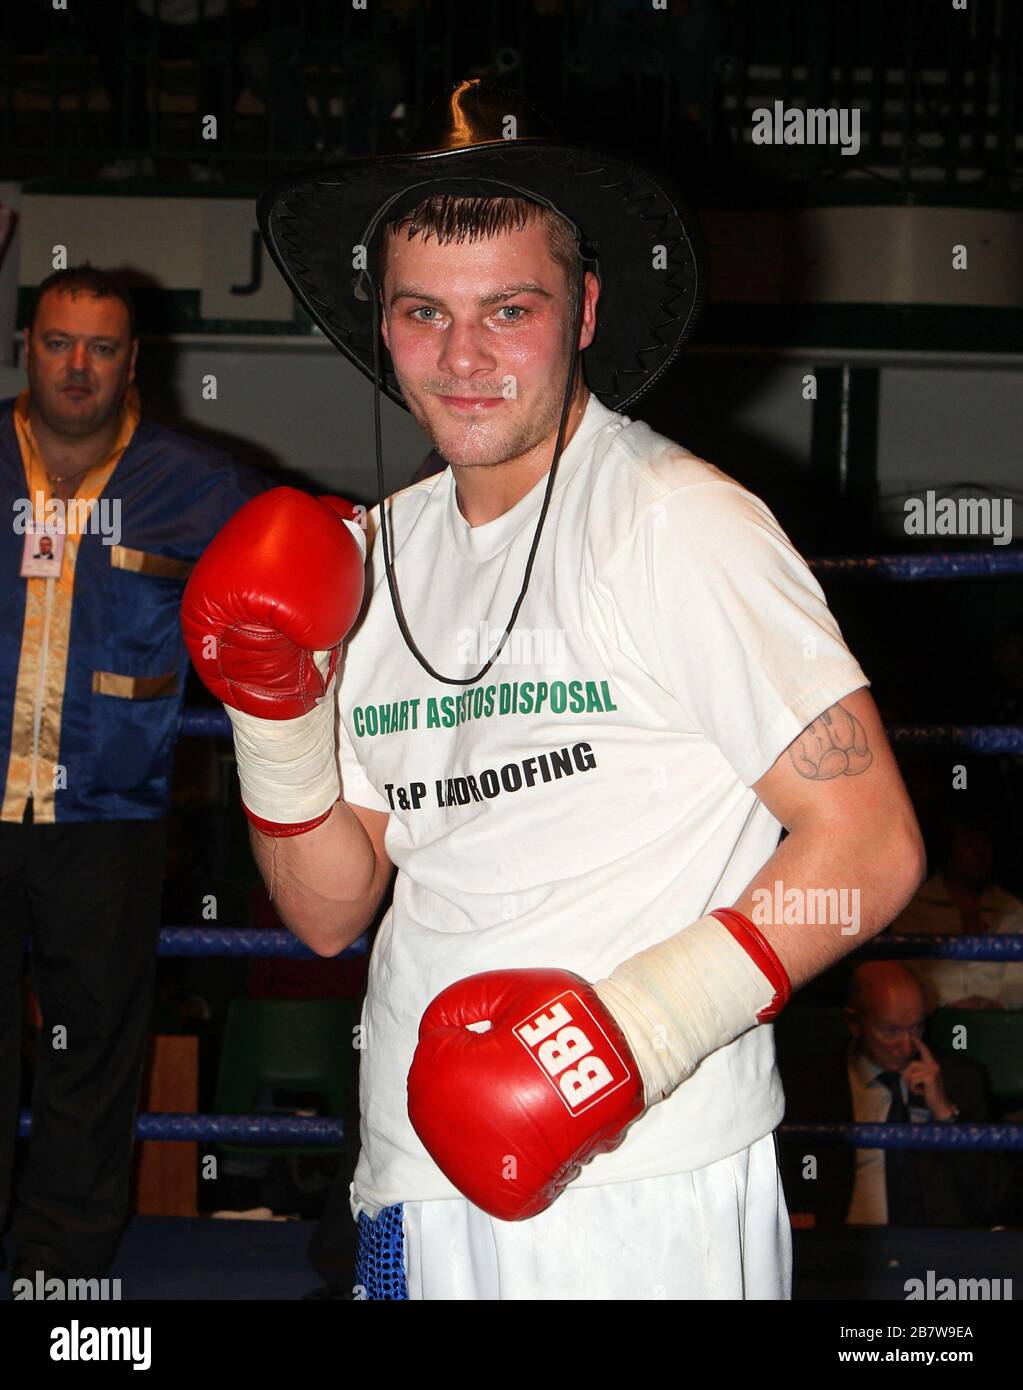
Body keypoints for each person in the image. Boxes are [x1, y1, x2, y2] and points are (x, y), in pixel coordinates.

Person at [185, 77, 924, 1300]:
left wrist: (627, 1037)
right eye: (424, 313)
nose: (462, 358)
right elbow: (327, 909)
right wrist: (271, 714)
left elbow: (874, 839)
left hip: (639, 1179)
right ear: (383, 322)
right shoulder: (376, 554)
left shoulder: (677, 522)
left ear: (581, 309)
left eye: (507, 310)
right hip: (413, 1166)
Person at [0, 264, 267, 1287]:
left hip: (105, 819)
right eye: (60, 341)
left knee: (95, 1055)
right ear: (28, 344)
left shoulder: (194, 479)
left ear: (132, 361)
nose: (78, 366)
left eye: (101, 347)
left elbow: (302, 571)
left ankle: (60, 1268)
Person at [780, 962, 1011, 1228]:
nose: (906, 1045)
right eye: (890, 1031)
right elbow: (792, 1176)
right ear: (854, 1023)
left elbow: (996, 1199)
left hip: (942, 1252)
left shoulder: (959, 1079)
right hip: (845, 1247)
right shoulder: (810, 1085)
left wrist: (947, 1116)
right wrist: (795, 1214)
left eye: (916, 1028)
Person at [889, 812, 1023, 1010]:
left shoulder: (1013, 908)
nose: (980, 852)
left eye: (985, 844)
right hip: (930, 1016)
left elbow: (1017, 980)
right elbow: (906, 975)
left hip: (996, 1018)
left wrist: (998, 1005)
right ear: (948, 852)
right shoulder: (916, 907)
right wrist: (941, 1004)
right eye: (969, 844)